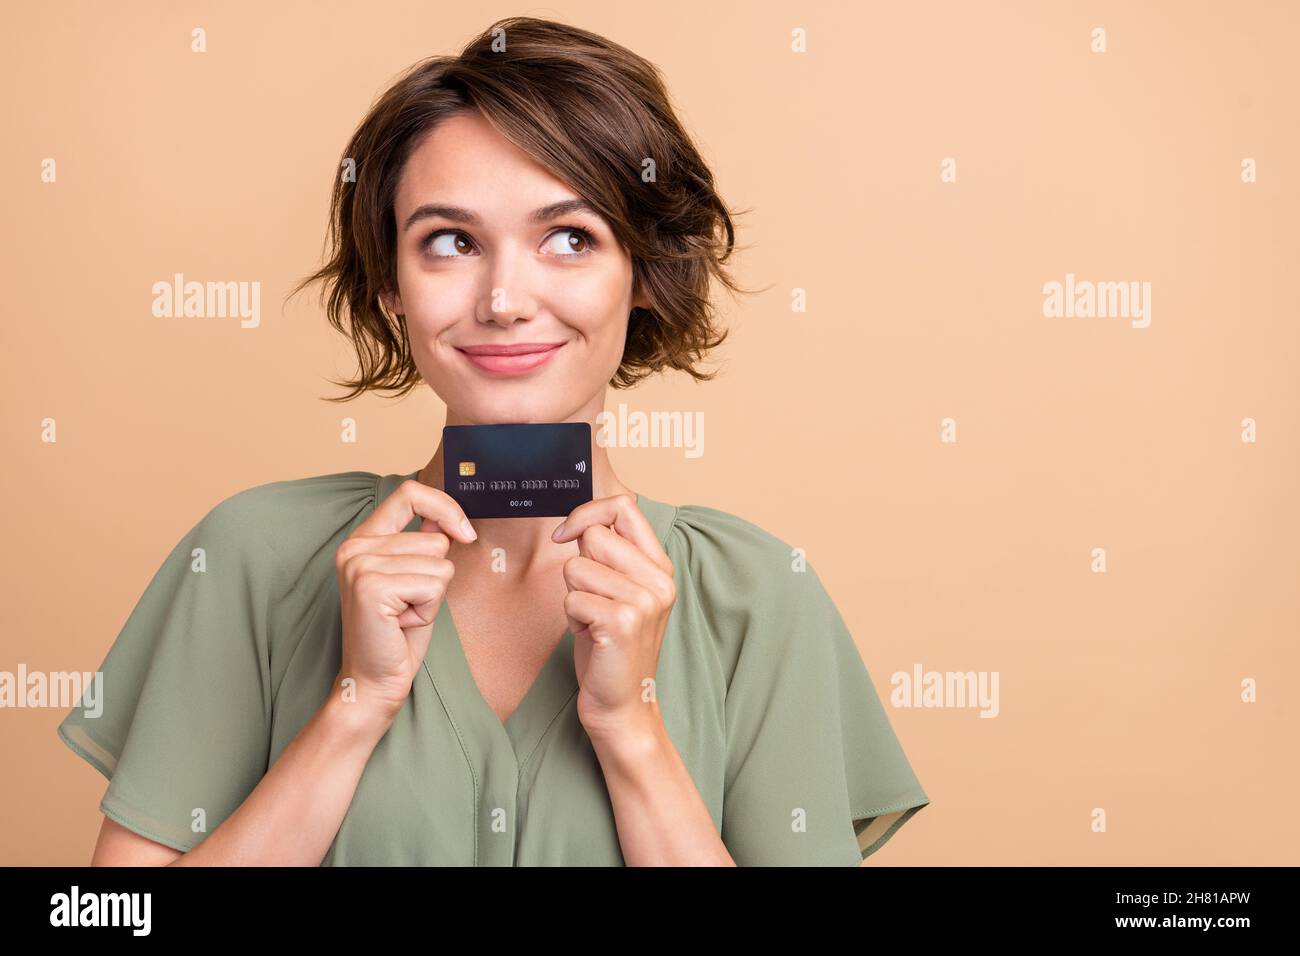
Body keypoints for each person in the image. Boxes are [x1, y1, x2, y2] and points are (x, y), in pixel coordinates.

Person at [56, 15, 929, 866]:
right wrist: (355, 707)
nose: (505, 300)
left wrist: (632, 733)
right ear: (391, 284)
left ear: (648, 276)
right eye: (449, 241)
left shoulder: (760, 601)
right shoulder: (251, 558)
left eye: (568, 238)